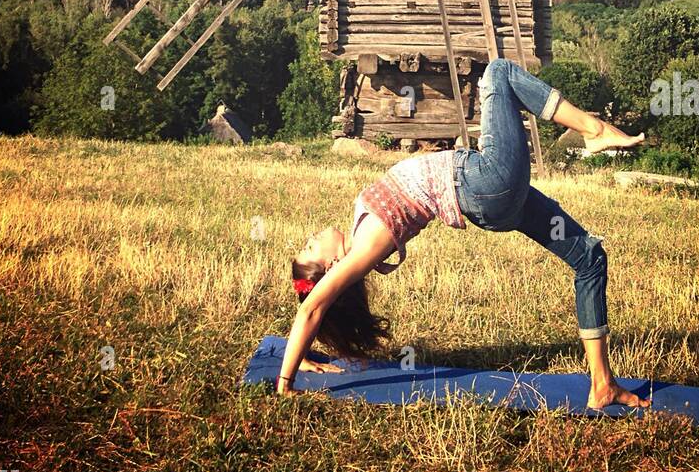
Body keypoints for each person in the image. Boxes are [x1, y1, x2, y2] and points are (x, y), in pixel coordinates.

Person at [278, 57, 650, 412]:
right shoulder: (365, 247)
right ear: (333, 265)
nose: (312, 236)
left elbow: (316, 306)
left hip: (494, 199)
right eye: (310, 247)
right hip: (483, 183)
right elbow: (314, 306)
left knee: (589, 258)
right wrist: (285, 382)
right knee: (499, 73)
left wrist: (306, 352)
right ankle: (593, 129)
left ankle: (602, 384)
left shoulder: (360, 233)